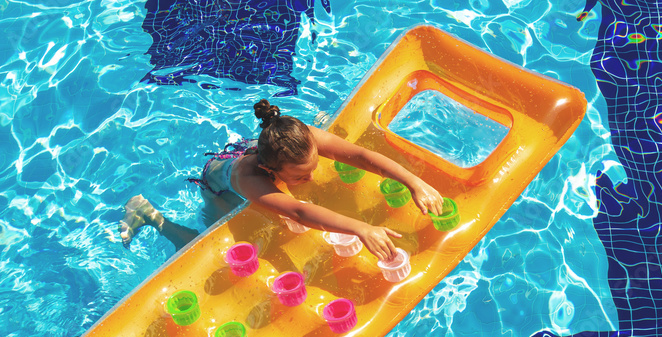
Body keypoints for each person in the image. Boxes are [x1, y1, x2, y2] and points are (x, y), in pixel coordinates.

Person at [119, 99, 444, 261]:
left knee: (332, 157)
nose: (313, 176)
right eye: (303, 175)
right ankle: (150, 215)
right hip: (221, 187)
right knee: (206, 248)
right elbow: (299, 212)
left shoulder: (300, 138)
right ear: (273, 171)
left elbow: (359, 156)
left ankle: (318, 132)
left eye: (313, 164)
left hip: (257, 151)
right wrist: (361, 227)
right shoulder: (252, 179)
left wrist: (414, 181)